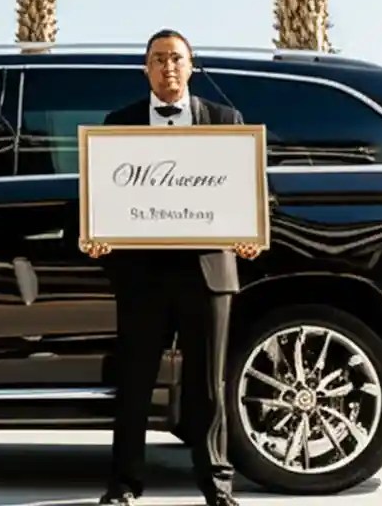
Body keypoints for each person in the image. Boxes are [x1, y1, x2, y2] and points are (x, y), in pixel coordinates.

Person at [90, 28, 264, 506]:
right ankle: (124, 484)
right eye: (158, 59)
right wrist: (97, 233)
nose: (168, 67)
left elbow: (247, 192)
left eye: (177, 59)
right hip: (142, 275)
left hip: (207, 272)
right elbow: (102, 197)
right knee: (135, 383)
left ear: (191, 67)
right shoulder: (118, 124)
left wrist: (249, 233)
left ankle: (216, 487)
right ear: (145, 68)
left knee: (208, 386)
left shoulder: (227, 121)